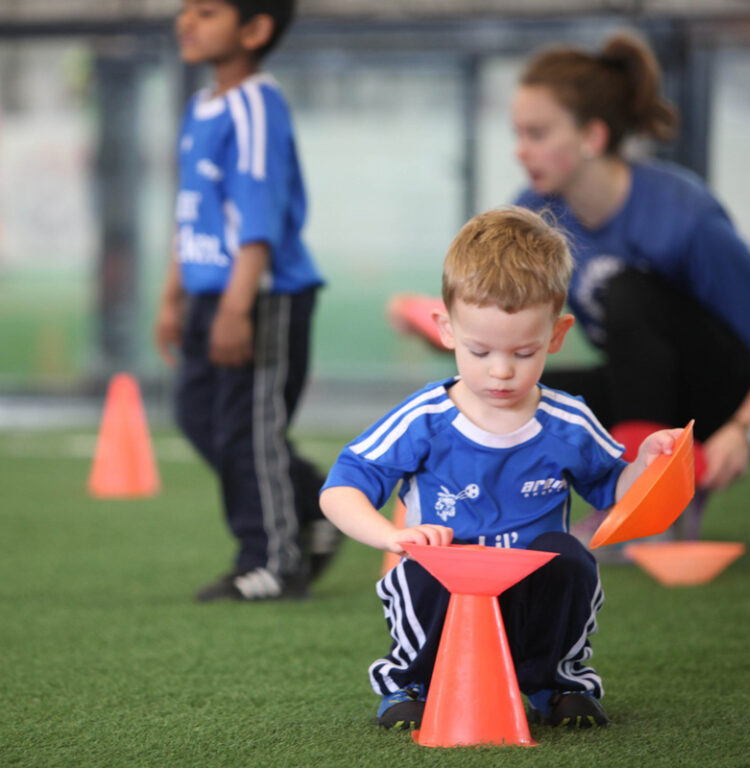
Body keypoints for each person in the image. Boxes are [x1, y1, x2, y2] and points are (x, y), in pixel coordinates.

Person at [320, 206, 683, 731]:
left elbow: (612, 488)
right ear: (445, 329)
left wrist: (646, 465)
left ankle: (554, 682)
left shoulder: (568, 420)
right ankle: (411, 682)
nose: (501, 370)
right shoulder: (425, 418)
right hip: (447, 583)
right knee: (422, 564)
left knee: (569, 556)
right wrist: (391, 537)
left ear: (557, 336)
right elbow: (341, 486)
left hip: (528, 589)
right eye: (480, 349)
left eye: (523, 351)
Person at [512, 32, 750, 539]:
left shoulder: (683, 217)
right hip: (643, 387)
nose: (522, 152)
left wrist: (746, 431)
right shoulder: (537, 212)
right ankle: (511, 519)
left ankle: (648, 502)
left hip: (729, 402)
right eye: (517, 135)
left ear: (593, 138)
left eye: (537, 134)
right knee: (519, 392)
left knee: (627, 293)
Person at [154, 0, 338, 602]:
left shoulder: (256, 104)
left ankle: (273, 561)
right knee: (200, 418)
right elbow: (194, 211)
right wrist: (173, 295)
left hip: (261, 295)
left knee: (248, 432)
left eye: (207, 11)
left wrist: (237, 308)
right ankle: (315, 505)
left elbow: (257, 220)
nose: (187, 21)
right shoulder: (200, 105)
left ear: (254, 30)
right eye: (186, 9)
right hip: (212, 294)